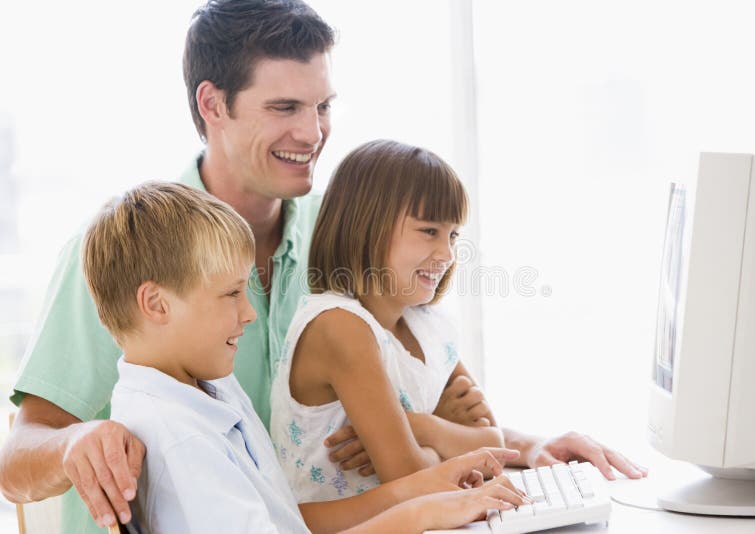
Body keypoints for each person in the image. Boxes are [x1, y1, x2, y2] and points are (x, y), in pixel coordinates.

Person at [0, 1, 643, 532]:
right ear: (213, 104)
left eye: (323, 106)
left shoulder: (340, 240)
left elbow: (447, 394)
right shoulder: (125, 250)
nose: (313, 133)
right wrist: (77, 446)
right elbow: (16, 459)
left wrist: (530, 449)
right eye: (285, 108)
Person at [84, 180, 526, 533]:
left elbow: (288, 521)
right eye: (232, 294)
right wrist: (419, 516)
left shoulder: (207, 388)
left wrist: (423, 490)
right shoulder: (182, 436)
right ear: (157, 304)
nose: (249, 313)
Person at [270, 140, 647, 504]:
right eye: (429, 231)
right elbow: (415, 480)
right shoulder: (340, 326)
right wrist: (445, 444)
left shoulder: (425, 324)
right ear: (365, 226)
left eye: (452, 235)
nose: (447, 253)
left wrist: (422, 429)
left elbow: (490, 437)